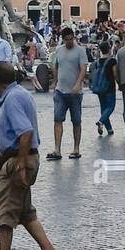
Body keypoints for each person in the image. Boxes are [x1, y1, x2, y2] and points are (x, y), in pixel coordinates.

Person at [0, 61, 62, 250]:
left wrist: (21, 166)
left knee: (4, 213)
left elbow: (25, 133)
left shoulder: (12, 99)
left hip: (19, 161)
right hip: (21, 157)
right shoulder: (19, 93)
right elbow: (16, 137)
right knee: (24, 212)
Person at [47, 26, 87, 160]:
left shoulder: (80, 51)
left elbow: (83, 69)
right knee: (57, 119)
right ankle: (57, 150)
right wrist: (55, 81)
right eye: (67, 40)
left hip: (76, 93)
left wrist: (78, 84)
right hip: (60, 91)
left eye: (71, 39)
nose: (69, 42)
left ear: (74, 37)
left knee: (76, 121)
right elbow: (56, 66)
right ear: (63, 39)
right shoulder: (58, 50)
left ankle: (76, 149)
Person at [92, 40, 117, 136]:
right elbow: (115, 73)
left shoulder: (97, 62)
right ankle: (101, 121)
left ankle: (109, 129)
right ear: (109, 49)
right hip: (109, 86)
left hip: (99, 87)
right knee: (111, 106)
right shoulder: (112, 61)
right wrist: (118, 82)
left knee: (103, 107)